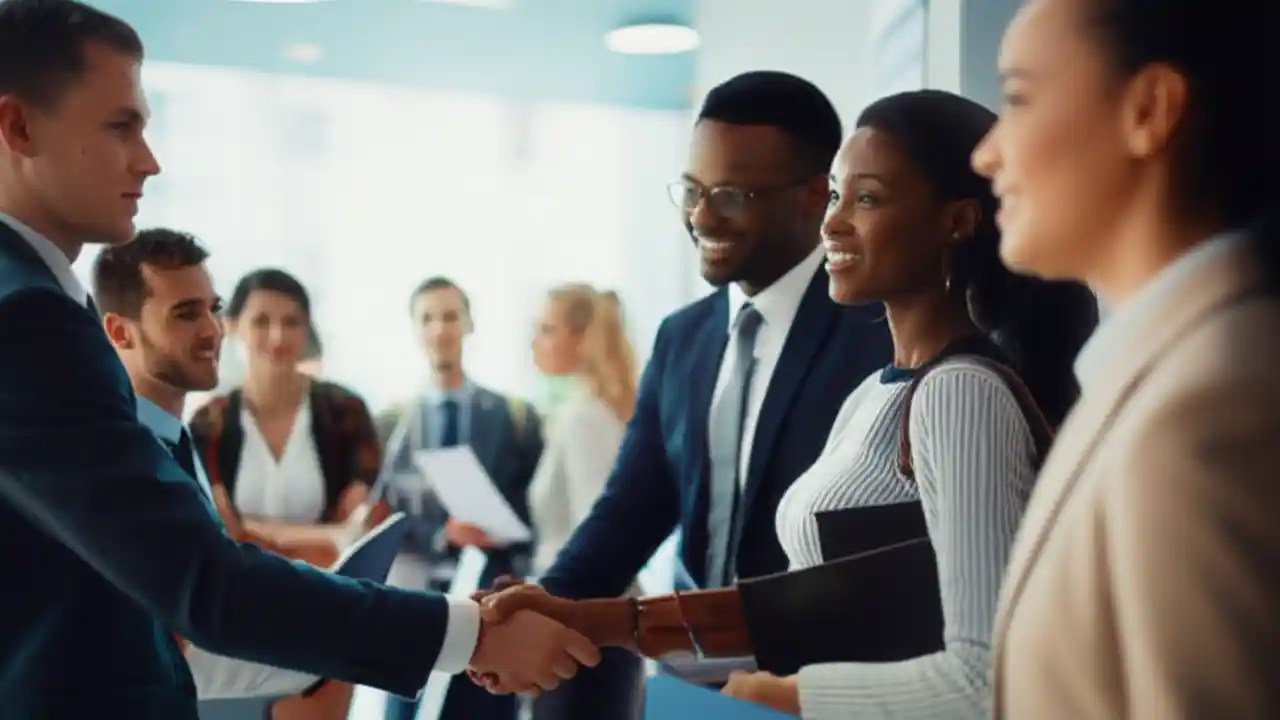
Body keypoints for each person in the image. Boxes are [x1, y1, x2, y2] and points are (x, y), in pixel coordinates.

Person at [0, 2, 597, 716]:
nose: (149, 160)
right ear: (19, 127)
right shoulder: (27, 320)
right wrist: (466, 634)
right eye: (120, 126)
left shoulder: (35, 307)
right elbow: (204, 583)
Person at [474, 90, 1099, 718]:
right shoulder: (876, 393)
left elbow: (984, 678)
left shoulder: (960, 393)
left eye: (867, 199)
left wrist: (782, 695)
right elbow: (803, 608)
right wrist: (585, 617)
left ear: (956, 221)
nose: (834, 224)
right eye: (837, 196)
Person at [969, 0, 1280, 717]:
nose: (986, 153)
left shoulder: (1208, 409)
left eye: (1018, 98)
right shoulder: (1164, 373)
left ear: (1149, 110)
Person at [538, 71, 893, 608]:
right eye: (692, 191)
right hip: (689, 654)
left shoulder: (877, 332)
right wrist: (543, 605)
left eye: (729, 196)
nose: (701, 217)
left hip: (816, 656)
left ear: (815, 195)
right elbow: (631, 511)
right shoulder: (682, 338)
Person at [92, 228, 350, 719]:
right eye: (186, 314)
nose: (213, 330)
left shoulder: (179, 442)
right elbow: (158, 644)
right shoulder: (119, 459)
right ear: (121, 333)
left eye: (213, 309)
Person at [376, 276, 544, 720]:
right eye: (428, 318)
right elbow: (382, 514)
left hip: (490, 604)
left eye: (450, 316)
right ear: (415, 329)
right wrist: (441, 532)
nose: (440, 329)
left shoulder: (513, 418)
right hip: (416, 603)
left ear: (469, 324)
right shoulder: (392, 424)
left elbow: (536, 509)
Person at [189, 269, 386, 550]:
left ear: (307, 329)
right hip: (241, 576)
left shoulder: (345, 411)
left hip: (330, 574)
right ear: (230, 326)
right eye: (261, 321)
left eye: (291, 322)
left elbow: (359, 524)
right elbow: (220, 525)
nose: (278, 337)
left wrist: (256, 531)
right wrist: (327, 536)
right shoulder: (209, 423)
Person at [527, 284, 643, 720]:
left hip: (578, 628)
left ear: (579, 337)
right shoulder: (593, 410)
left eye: (546, 329)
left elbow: (596, 531)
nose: (534, 342)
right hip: (587, 622)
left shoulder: (584, 418)